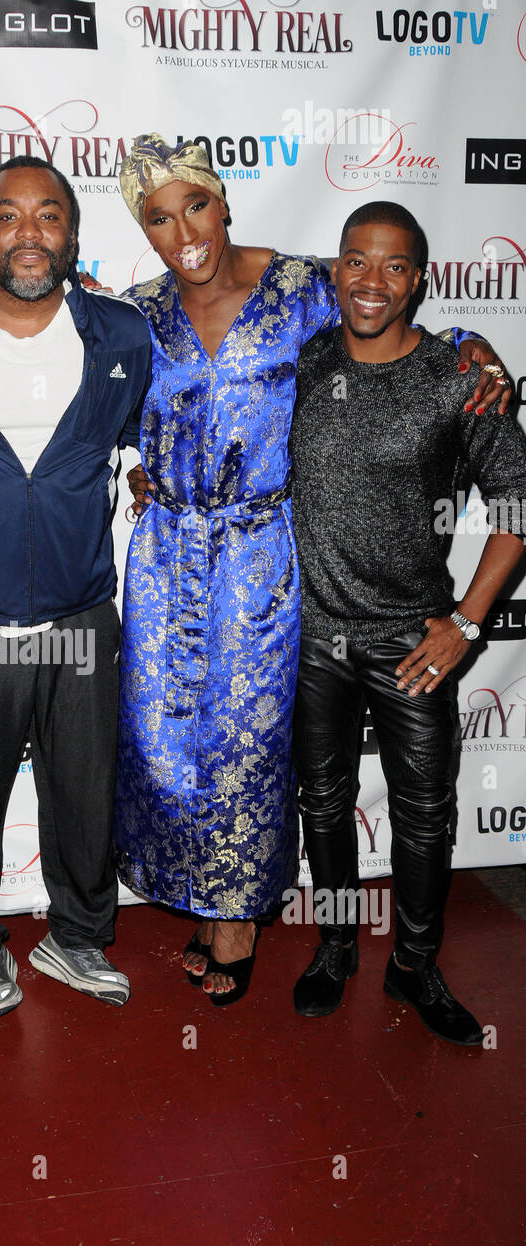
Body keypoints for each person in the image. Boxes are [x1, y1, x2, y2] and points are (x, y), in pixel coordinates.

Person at [115, 134, 511, 1007]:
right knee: (172, 742)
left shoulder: (299, 288)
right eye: (156, 216)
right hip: (168, 556)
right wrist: (138, 467)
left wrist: (471, 346)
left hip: (263, 557)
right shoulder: (134, 310)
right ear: (141, 229)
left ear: (223, 203)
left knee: (252, 749)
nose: (181, 229)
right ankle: (216, 895)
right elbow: (96, 404)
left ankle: (255, 922)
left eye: (194, 204)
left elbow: (387, 319)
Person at [0, 156, 152, 1022]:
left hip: (83, 608)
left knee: (84, 788)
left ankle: (77, 938)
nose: (28, 233)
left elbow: (130, 444)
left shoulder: (120, 335)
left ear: (71, 234)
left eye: (48, 216)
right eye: (7, 216)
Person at [288, 201, 526, 1044]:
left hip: (410, 640)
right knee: (323, 800)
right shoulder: (305, 359)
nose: (371, 281)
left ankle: (415, 963)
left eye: (393, 266)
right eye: (356, 261)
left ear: (420, 279)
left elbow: (515, 507)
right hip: (312, 633)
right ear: (334, 270)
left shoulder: (461, 377)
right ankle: (335, 945)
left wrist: (464, 622)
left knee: (425, 813)